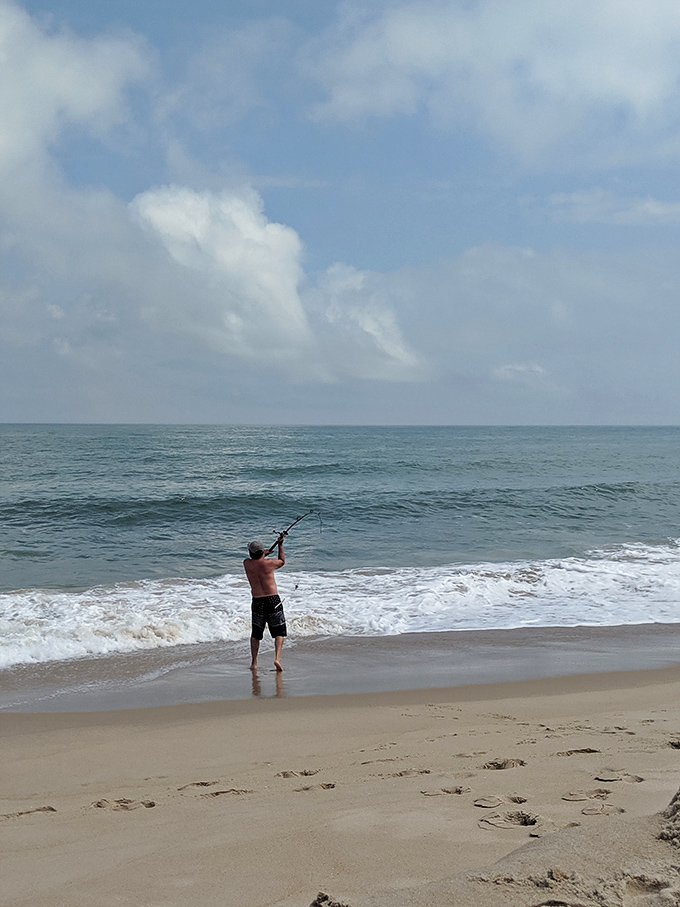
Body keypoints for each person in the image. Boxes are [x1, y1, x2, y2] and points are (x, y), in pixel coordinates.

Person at [243, 533, 287, 672]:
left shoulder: (247, 564)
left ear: (250, 552)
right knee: (279, 632)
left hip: (257, 601)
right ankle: (277, 659)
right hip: (272, 599)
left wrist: (263, 553)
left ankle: (254, 663)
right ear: (262, 552)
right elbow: (282, 561)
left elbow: (256, 561)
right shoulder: (270, 564)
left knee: (256, 634)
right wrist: (280, 545)